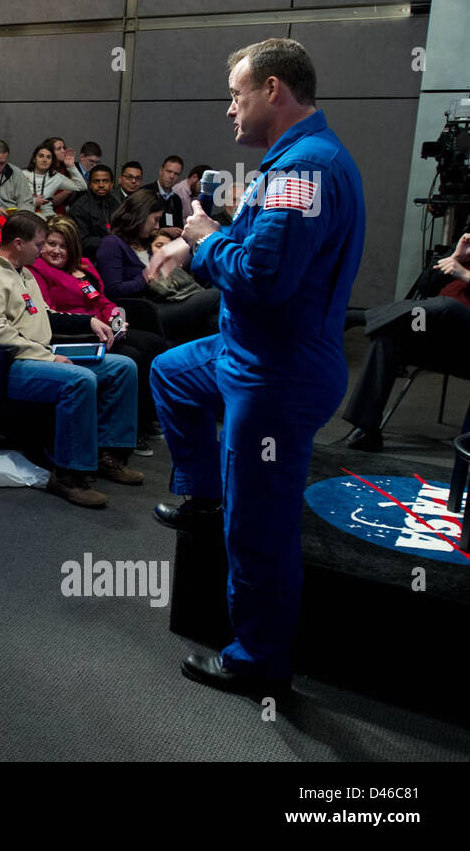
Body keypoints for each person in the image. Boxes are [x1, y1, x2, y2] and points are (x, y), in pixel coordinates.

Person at [145, 37, 365, 695]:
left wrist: (204, 240)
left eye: (237, 95)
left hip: (278, 375)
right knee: (171, 373)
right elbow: (253, 243)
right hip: (247, 354)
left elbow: (262, 276)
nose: (229, 109)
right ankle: (206, 493)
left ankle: (259, 661)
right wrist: (201, 245)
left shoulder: (305, 173)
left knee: (260, 531)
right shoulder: (295, 162)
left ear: (274, 89)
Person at [0, 211, 141, 509]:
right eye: (40, 243)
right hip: (7, 366)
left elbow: (45, 315)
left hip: (39, 354)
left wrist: (87, 323)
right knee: (80, 380)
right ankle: (68, 474)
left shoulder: (24, 272)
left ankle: (106, 455)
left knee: (123, 367)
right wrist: (48, 357)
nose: (44, 250)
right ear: (19, 243)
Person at [32, 215, 166, 453]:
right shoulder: (38, 269)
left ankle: (145, 419)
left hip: (103, 327)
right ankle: (126, 431)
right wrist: (94, 323)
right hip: (75, 333)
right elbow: (49, 312)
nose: (56, 251)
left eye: (63, 246)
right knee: (133, 355)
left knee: (154, 344)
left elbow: (103, 300)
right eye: (51, 244)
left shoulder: (83, 266)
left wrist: (116, 318)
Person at [342, 233, 470, 452]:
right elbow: (426, 286)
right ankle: (367, 429)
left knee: (450, 307)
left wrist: (464, 274)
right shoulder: (466, 246)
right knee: (387, 335)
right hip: (437, 339)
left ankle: (357, 317)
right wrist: (457, 256)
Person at [98, 190, 220, 343]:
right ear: (140, 216)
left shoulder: (144, 244)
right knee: (216, 295)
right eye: (155, 220)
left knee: (213, 322)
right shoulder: (112, 244)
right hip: (140, 312)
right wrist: (146, 276)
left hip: (164, 301)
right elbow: (113, 291)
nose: (157, 226)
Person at [67, 164, 120, 257]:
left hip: (113, 252)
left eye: (105, 181)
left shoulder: (115, 202)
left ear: (112, 184)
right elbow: (82, 241)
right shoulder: (79, 208)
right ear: (90, 184)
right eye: (97, 181)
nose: (101, 185)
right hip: (90, 257)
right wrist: (110, 241)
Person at [22, 139, 85, 216]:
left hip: (48, 215)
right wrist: (34, 201)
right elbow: (14, 198)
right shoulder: (22, 174)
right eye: (41, 156)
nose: (44, 160)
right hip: (26, 215)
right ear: (34, 159)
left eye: (48, 157)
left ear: (52, 161)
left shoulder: (56, 176)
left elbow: (82, 187)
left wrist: (71, 166)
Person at [0, 140, 34, 214]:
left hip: (14, 218)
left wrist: (20, 216)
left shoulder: (16, 173)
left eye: (2, 163)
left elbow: (27, 202)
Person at [143, 155, 186, 228]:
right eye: (169, 171)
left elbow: (179, 226)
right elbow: (138, 226)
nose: (172, 176)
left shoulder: (176, 199)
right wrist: (162, 232)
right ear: (161, 171)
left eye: (176, 174)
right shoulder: (145, 193)